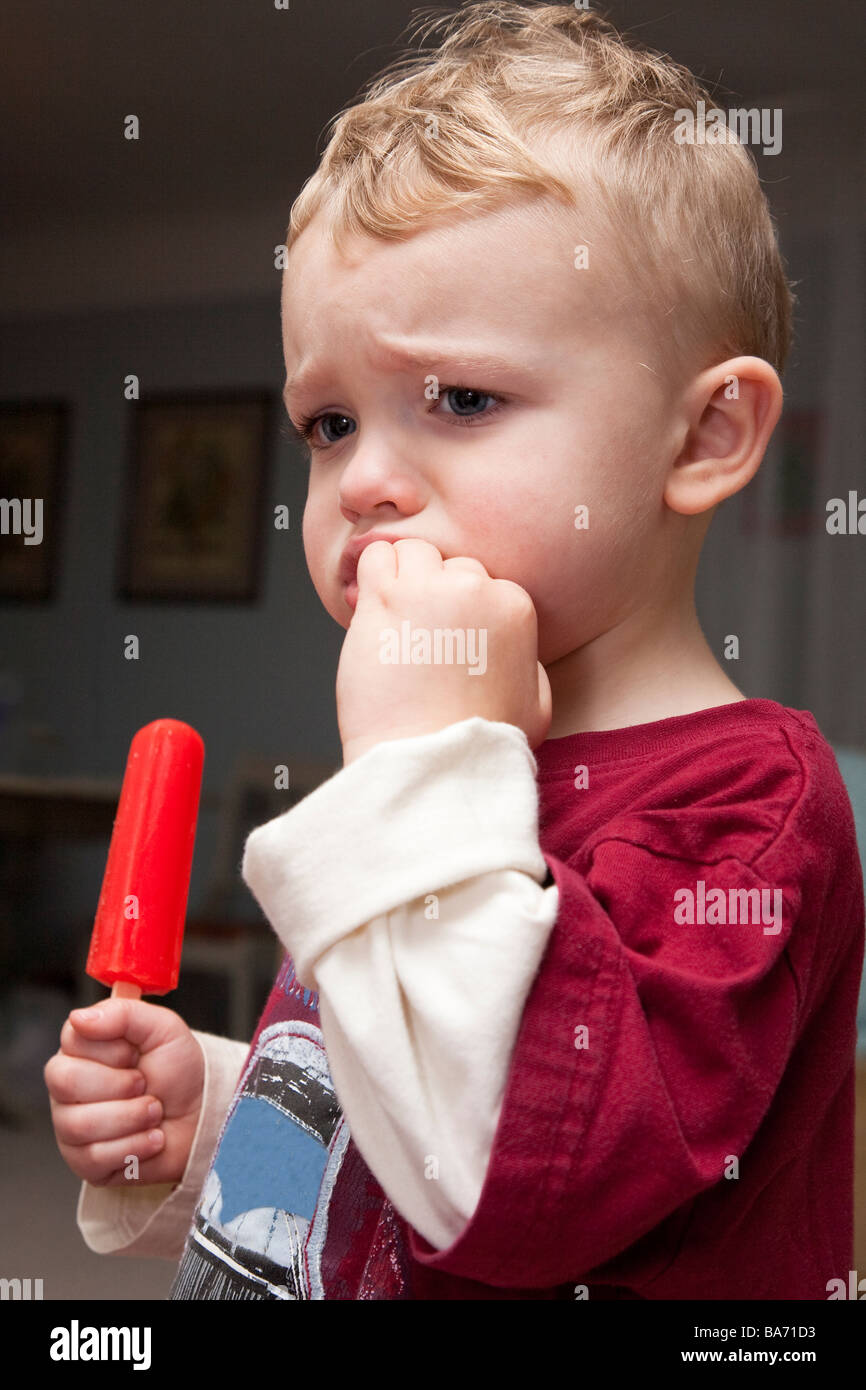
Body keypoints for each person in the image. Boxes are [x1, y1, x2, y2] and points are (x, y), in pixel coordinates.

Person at [45, 2, 864, 1299]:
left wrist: (422, 756)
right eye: (324, 425)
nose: (363, 479)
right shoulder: (439, 757)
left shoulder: (748, 810)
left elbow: (511, 1187)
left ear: (702, 437)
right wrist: (206, 1106)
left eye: (462, 399)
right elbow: (382, 1130)